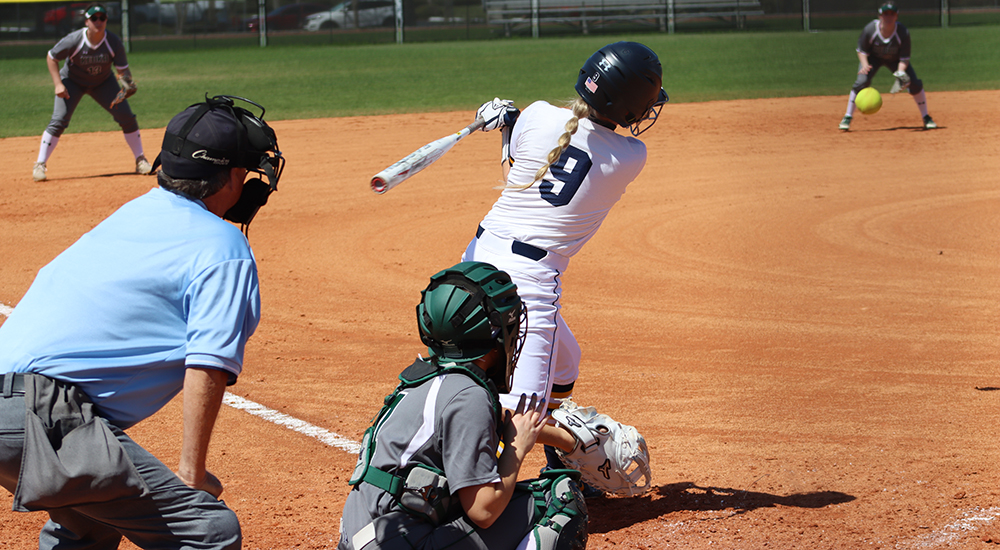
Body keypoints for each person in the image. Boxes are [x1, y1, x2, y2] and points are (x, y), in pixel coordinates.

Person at [0, 94, 284, 550]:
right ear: (233, 177)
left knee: (91, 525)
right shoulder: (222, 248)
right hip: (41, 415)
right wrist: (192, 472)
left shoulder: (134, 213)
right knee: (210, 533)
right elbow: (207, 363)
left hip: (21, 406)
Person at [466, 41, 667, 486]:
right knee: (524, 414)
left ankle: (558, 462)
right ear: (632, 105)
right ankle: (490, 491)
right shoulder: (631, 157)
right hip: (529, 284)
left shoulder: (537, 113)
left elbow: (516, 177)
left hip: (476, 260)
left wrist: (507, 126)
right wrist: (578, 440)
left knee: (565, 361)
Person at [338, 261, 588, 550]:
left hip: (367, 538)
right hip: (400, 541)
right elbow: (483, 510)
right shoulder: (469, 396)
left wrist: (566, 440)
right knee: (558, 501)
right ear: (492, 335)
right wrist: (517, 448)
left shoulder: (421, 379)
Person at [33, 3, 151, 182]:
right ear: (87, 21)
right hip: (72, 82)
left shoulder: (113, 42)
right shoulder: (74, 40)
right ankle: (40, 164)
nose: (98, 21)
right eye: (94, 18)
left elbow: (122, 70)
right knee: (59, 120)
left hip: (103, 83)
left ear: (106, 21)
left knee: (127, 116)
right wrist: (58, 84)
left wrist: (128, 83)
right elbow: (52, 57)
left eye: (102, 18)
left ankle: (140, 159)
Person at [839, 1, 936, 131]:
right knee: (862, 81)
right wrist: (865, 64)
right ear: (880, 16)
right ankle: (847, 117)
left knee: (914, 83)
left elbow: (904, 58)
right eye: (885, 14)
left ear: (896, 17)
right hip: (873, 58)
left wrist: (901, 72)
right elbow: (861, 50)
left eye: (892, 14)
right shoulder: (870, 29)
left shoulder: (902, 32)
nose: (889, 17)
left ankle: (926, 117)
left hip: (896, 60)